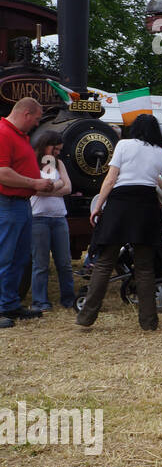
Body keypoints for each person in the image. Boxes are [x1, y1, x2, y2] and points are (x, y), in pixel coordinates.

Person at [76, 114, 162, 331]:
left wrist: (98, 206)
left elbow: (111, 179)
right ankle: (149, 322)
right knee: (144, 268)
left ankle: (86, 317)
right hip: (146, 205)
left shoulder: (123, 145)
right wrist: (154, 176)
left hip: (120, 204)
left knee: (104, 262)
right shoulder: (161, 153)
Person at [0, 97, 57, 328]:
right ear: (26, 114)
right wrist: (34, 183)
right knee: (4, 257)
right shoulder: (3, 133)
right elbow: (2, 172)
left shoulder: (18, 135)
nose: (36, 124)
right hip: (7, 203)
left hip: (21, 204)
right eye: (36, 119)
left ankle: (9, 304)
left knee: (19, 258)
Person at [28, 131, 76, 312]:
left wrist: (48, 188)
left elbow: (69, 187)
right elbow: (33, 189)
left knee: (64, 262)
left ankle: (69, 299)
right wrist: (57, 186)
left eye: (59, 149)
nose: (57, 152)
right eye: (55, 148)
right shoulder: (32, 162)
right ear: (45, 145)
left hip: (58, 217)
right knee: (40, 263)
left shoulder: (60, 163)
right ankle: (40, 301)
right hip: (38, 218)